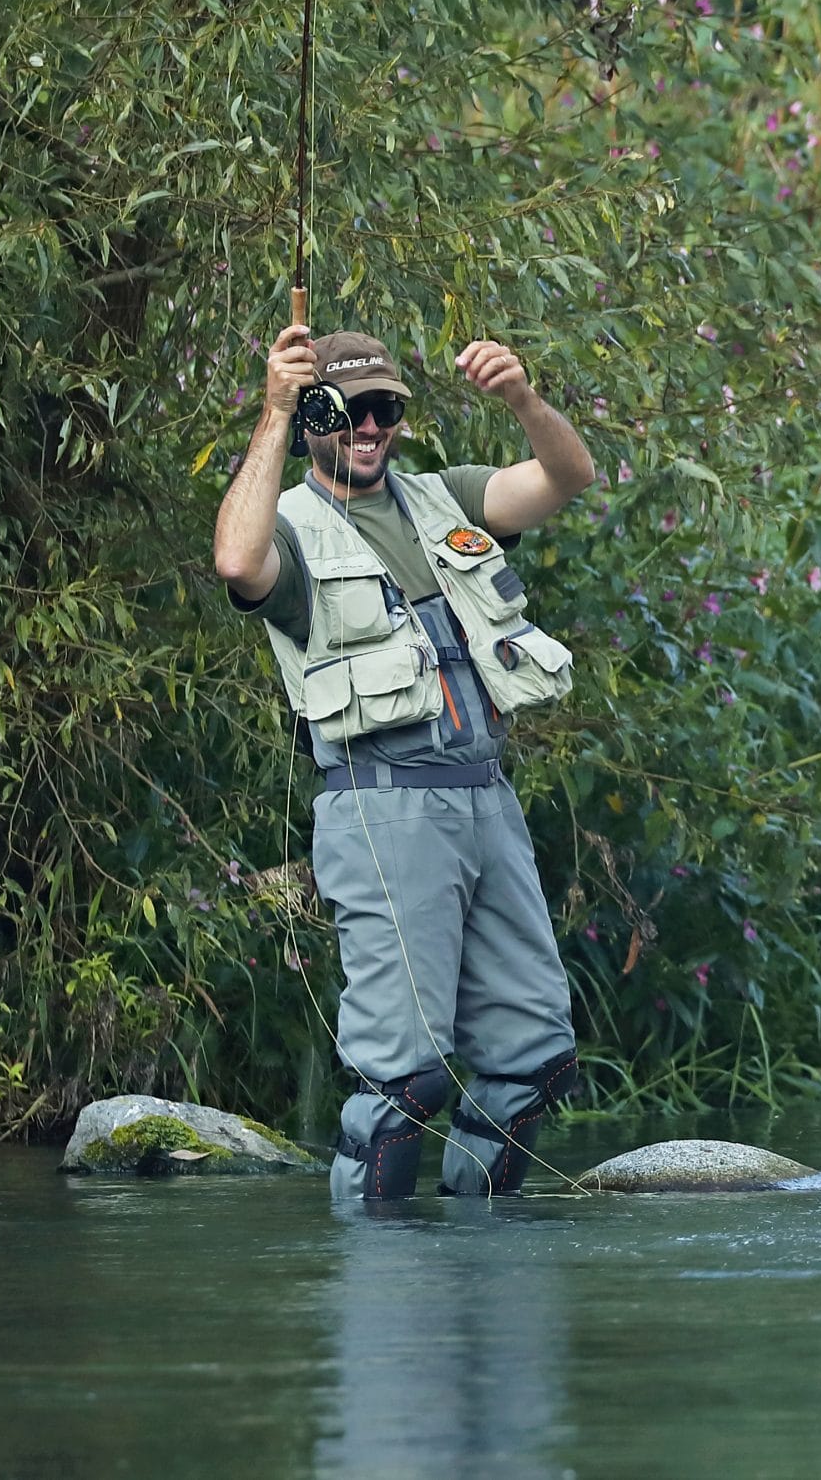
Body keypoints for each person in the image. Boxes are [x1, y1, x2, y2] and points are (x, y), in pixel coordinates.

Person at [212, 320, 596, 1199]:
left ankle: (483, 1254)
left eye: (384, 409)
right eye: (347, 411)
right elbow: (235, 559)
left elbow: (569, 476)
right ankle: (380, 1273)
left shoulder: (445, 498)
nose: (369, 427)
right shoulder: (289, 528)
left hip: (487, 799)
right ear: (315, 419)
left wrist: (522, 399)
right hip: (383, 807)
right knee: (405, 1082)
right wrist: (273, 412)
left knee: (534, 1060)